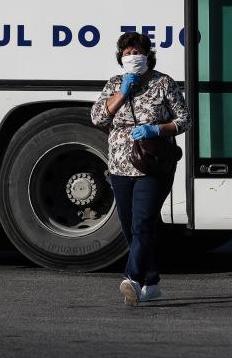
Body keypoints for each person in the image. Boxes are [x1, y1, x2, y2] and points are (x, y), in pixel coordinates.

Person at [90, 31, 189, 306]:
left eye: (137, 52)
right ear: (121, 57)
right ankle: (152, 281)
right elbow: (98, 117)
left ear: (148, 56)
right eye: (127, 53)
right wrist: (123, 92)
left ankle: (132, 278)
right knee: (129, 226)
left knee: (143, 222)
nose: (133, 57)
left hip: (152, 165)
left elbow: (185, 120)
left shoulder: (163, 83)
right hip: (120, 165)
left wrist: (156, 128)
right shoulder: (114, 84)